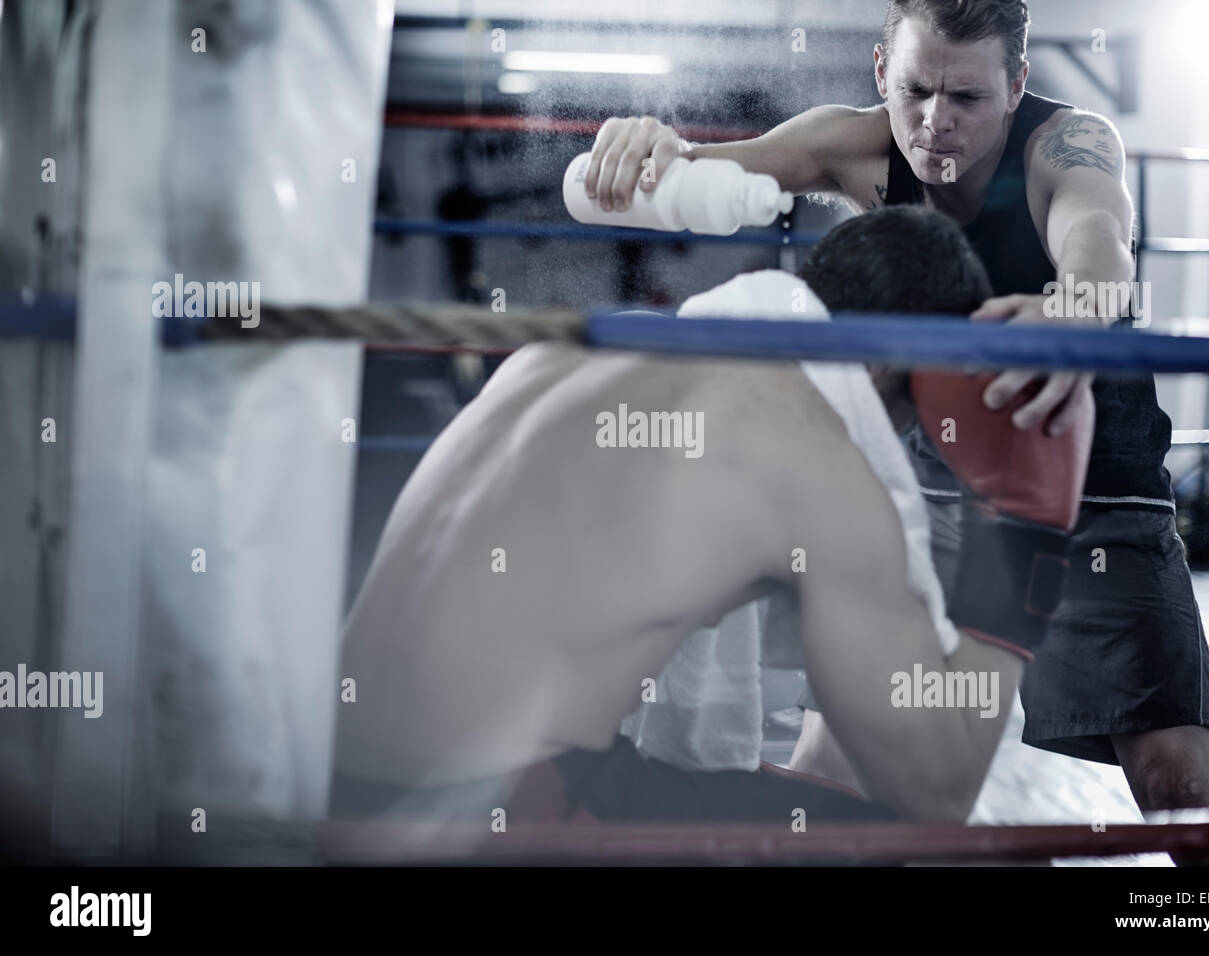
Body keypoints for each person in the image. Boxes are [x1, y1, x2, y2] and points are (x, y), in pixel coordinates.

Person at [584, 0, 1209, 863]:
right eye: (916, 90)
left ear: (1016, 85)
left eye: (967, 98)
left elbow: (1099, 241)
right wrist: (648, 145)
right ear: (879, 74)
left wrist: (1067, 311)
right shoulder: (849, 145)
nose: (935, 121)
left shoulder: (1066, 147)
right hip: (924, 494)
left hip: (1093, 496)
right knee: (834, 767)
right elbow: (690, 174)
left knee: (1177, 780)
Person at [330, 207, 1092, 827]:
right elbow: (939, 791)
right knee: (964, 860)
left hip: (334, 785)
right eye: (910, 422)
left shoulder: (573, 352)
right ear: (899, 368)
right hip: (486, 817)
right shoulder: (809, 456)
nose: (895, 448)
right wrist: (1027, 526)